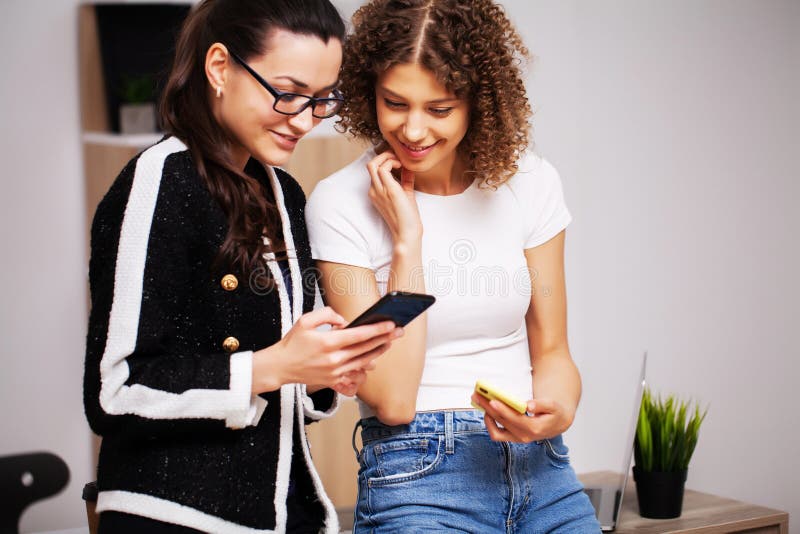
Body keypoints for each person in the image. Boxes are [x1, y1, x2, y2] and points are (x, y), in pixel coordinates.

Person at [83, 1, 403, 532]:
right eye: (287, 92)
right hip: (175, 515)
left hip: (285, 510)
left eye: (322, 100)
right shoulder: (159, 182)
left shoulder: (286, 195)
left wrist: (327, 371)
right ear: (218, 68)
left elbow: (284, 386)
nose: (304, 120)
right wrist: (275, 365)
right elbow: (113, 391)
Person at [305, 0, 601, 531]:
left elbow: (553, 352)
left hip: (545, 470)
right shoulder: (340, 203)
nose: (413, 131)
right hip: (419, 476)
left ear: (477, 104)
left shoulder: (530, 183)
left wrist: (557, 408)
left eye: (439, 109)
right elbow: (392, 399)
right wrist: (408, 240)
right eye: (394, 103)